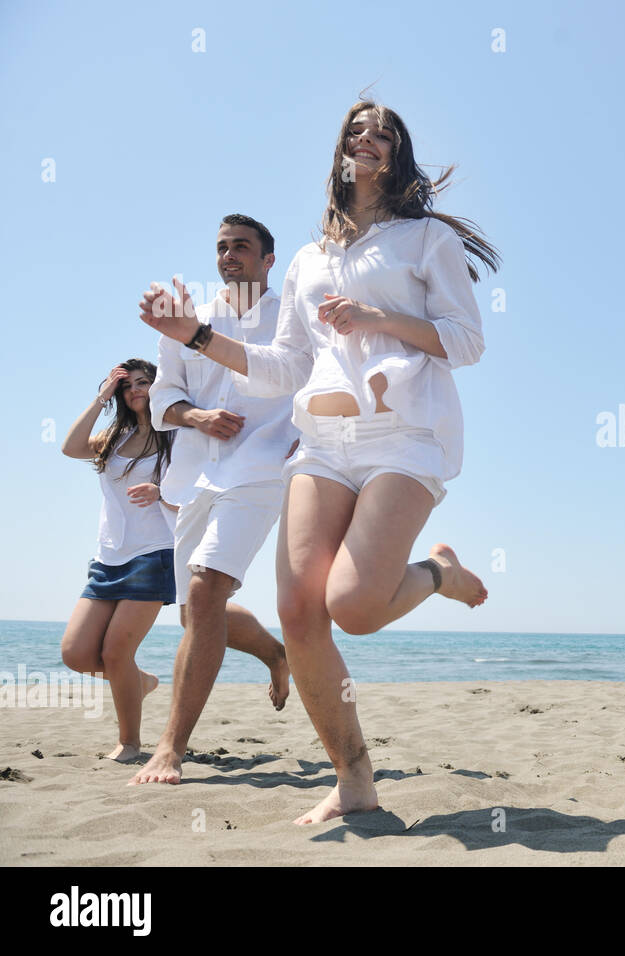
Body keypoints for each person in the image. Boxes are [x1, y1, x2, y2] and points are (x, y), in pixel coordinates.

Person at [139, 101, 494, 824]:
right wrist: (198, 335)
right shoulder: (308, 259)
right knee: (299, 610)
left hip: (406, 435)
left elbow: (466, 341)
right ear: (338, 153)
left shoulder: (425, 240)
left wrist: (377, 320)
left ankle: (435, 572)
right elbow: (282, 369)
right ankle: (354, 778)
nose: (368, 140)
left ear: (397, 155)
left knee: (355, 608)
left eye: (383, 134)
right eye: (356, 132)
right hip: (324, 443)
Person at [129, 214, 295, 788]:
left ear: (267, 259)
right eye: (222, 247)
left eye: (242, 247)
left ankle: (169, 750)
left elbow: (317, 380)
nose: (229, 256)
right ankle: (275, 653)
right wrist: (195, 415)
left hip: (262, 468)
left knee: (204, 592)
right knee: (195, 612)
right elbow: (162, 401)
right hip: (192, 480)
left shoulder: (290, 316)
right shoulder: (187, 319)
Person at [60, 360, 175, 761]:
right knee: (75, 654)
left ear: (159, 387)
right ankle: (137, 682)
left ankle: (129, 743)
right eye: (128, 387)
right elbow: (71, 446)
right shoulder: (114, 437)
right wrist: (100, 397)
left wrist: (161, 493)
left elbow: (196, 493)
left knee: (114, 653)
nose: (136, 391)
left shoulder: (175, 437)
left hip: (153, 553)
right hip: (107, 558)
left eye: (144, 383)